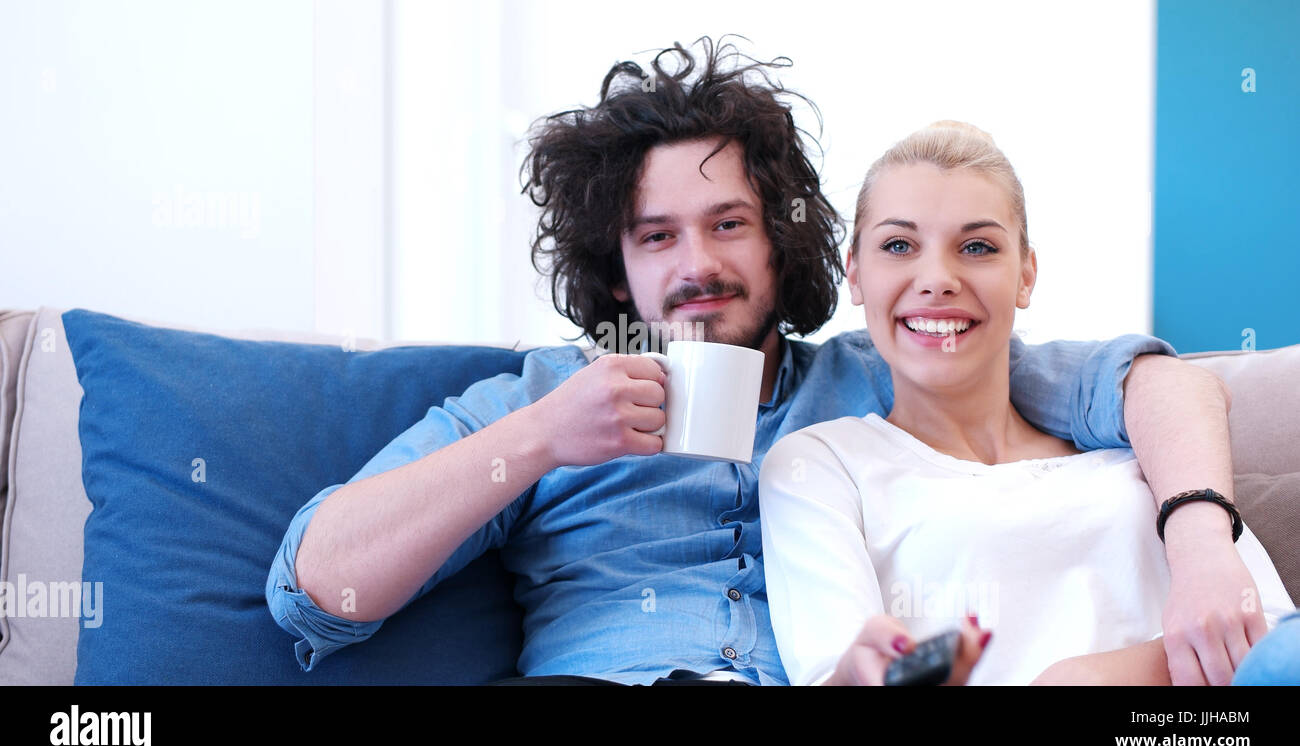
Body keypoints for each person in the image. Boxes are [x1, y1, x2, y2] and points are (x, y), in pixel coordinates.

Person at [266, 38, 1261, 686]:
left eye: (727, 225)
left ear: (781, 242)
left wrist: (1202, 543)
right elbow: (316, 586)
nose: (696, 266)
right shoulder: (535, 401)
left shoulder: (890, 372)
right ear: (614, 272)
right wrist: (536, 443)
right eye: (655, 237)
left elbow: (1152, 383)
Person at [757, 121, 1296, 686]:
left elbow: (1277, 644)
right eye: (899, 245)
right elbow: (836, 678)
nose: (937, 278)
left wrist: (1080, 679)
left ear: (1026, 275)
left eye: (977, 247)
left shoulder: (1135, 449)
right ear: (856, 274)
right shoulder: (818, 465)